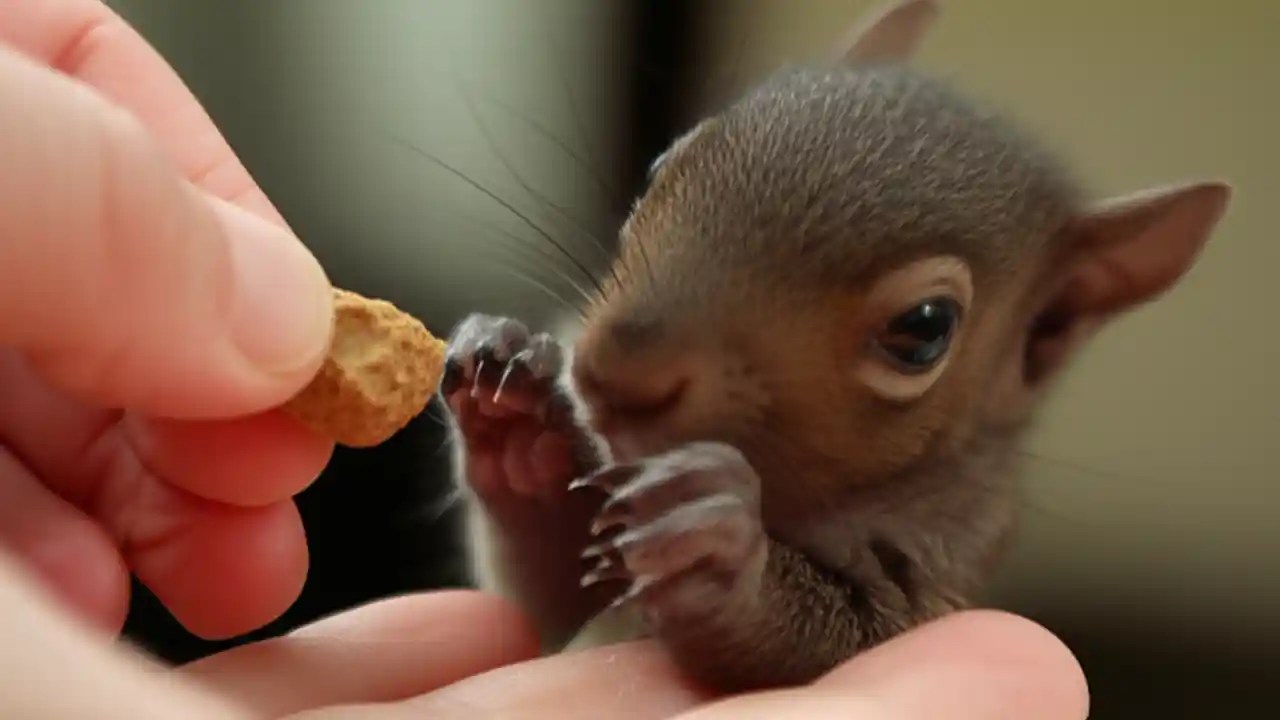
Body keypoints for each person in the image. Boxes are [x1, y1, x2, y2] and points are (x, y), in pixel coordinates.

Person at [0, 1, 1089, 717]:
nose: (621, 351)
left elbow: (847, 635)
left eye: (909, 334)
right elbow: (554, 607)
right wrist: (533, 484)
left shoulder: (935, 509)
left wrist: (749, 584)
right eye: (683, 175)